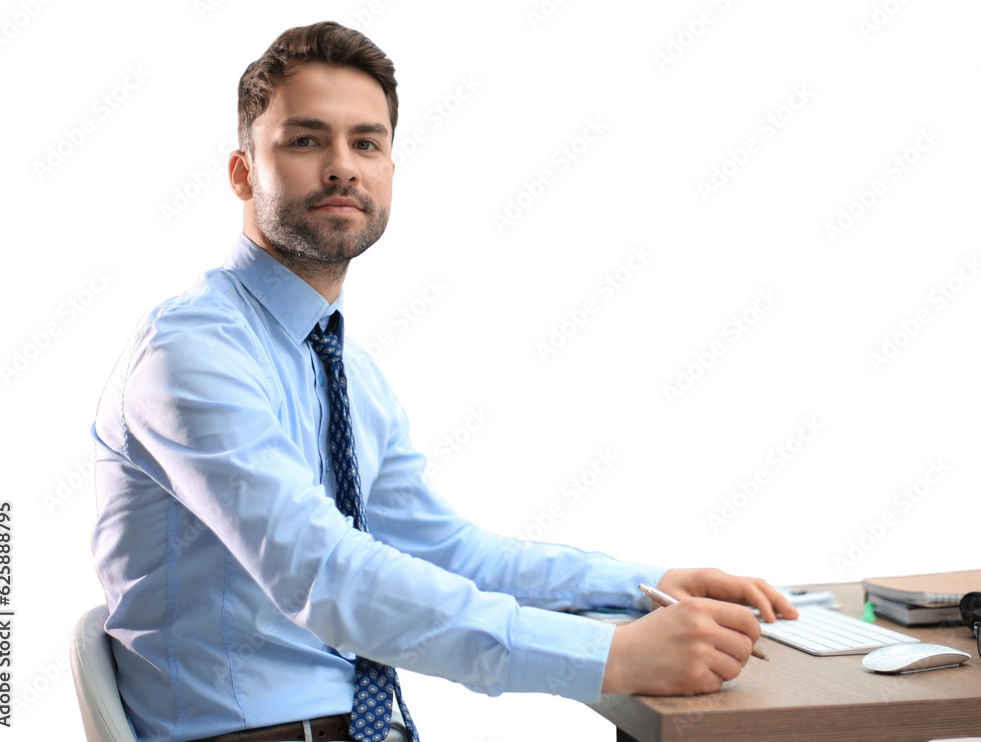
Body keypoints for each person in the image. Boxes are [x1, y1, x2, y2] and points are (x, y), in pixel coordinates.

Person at [90, 20, 798, 742]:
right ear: (242, 172)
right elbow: (324, 577)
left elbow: (450, 554)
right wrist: (606, 655)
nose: (342, 167)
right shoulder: (194, 353)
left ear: (390, 168)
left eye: (365, 142)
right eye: (306, 140)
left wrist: (645, 587)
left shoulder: (344, 369)